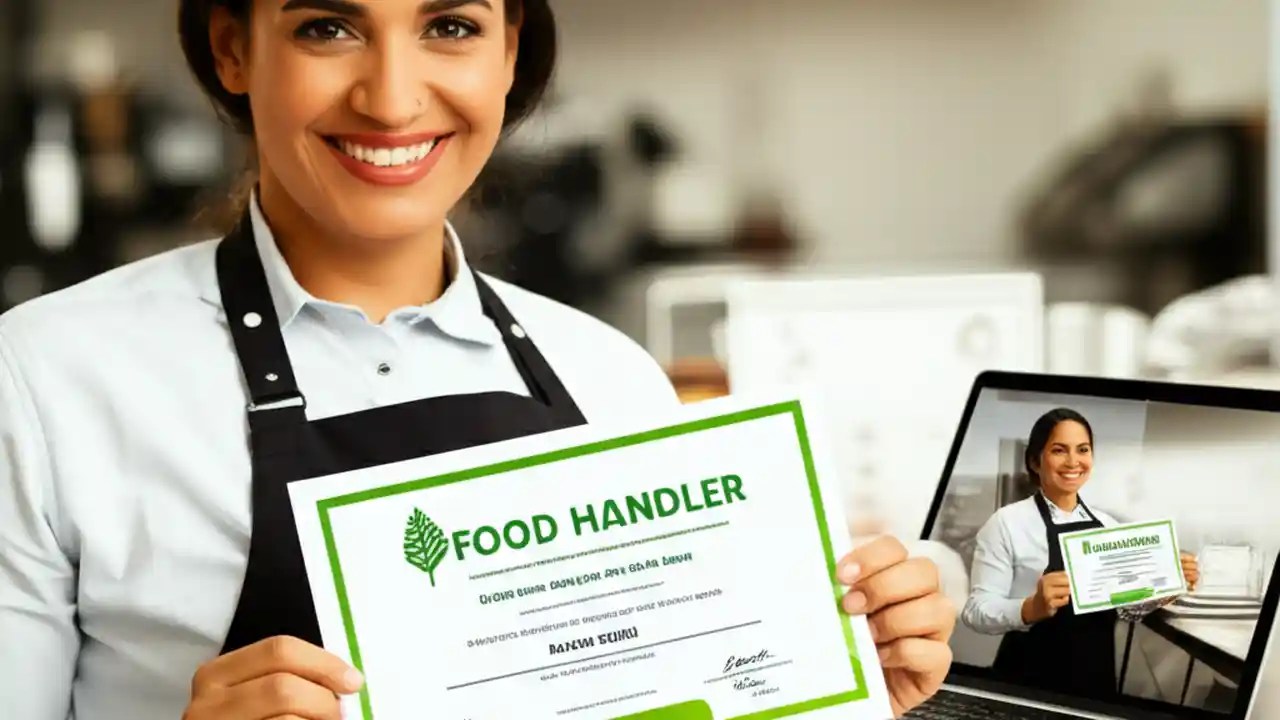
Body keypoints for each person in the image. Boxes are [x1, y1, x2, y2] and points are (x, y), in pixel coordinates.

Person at [0, 1, 955, 718]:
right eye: (328, 27)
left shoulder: (609, 375)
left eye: (450, 26)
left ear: (510, 58)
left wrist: (844, 684)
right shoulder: (48, 377)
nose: (391, 97)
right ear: (232, 47)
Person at [960, 408, 1200, 700]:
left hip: (1093, 683)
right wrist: (1030, 608)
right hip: (1025, 681)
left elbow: (1126, 610)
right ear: (1036, 460)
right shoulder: (1006, 523)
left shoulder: (1107, 525)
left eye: (1083, 450)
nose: (1073, 461)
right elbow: (976, 611)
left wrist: (1165, 586)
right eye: (1059, 450)